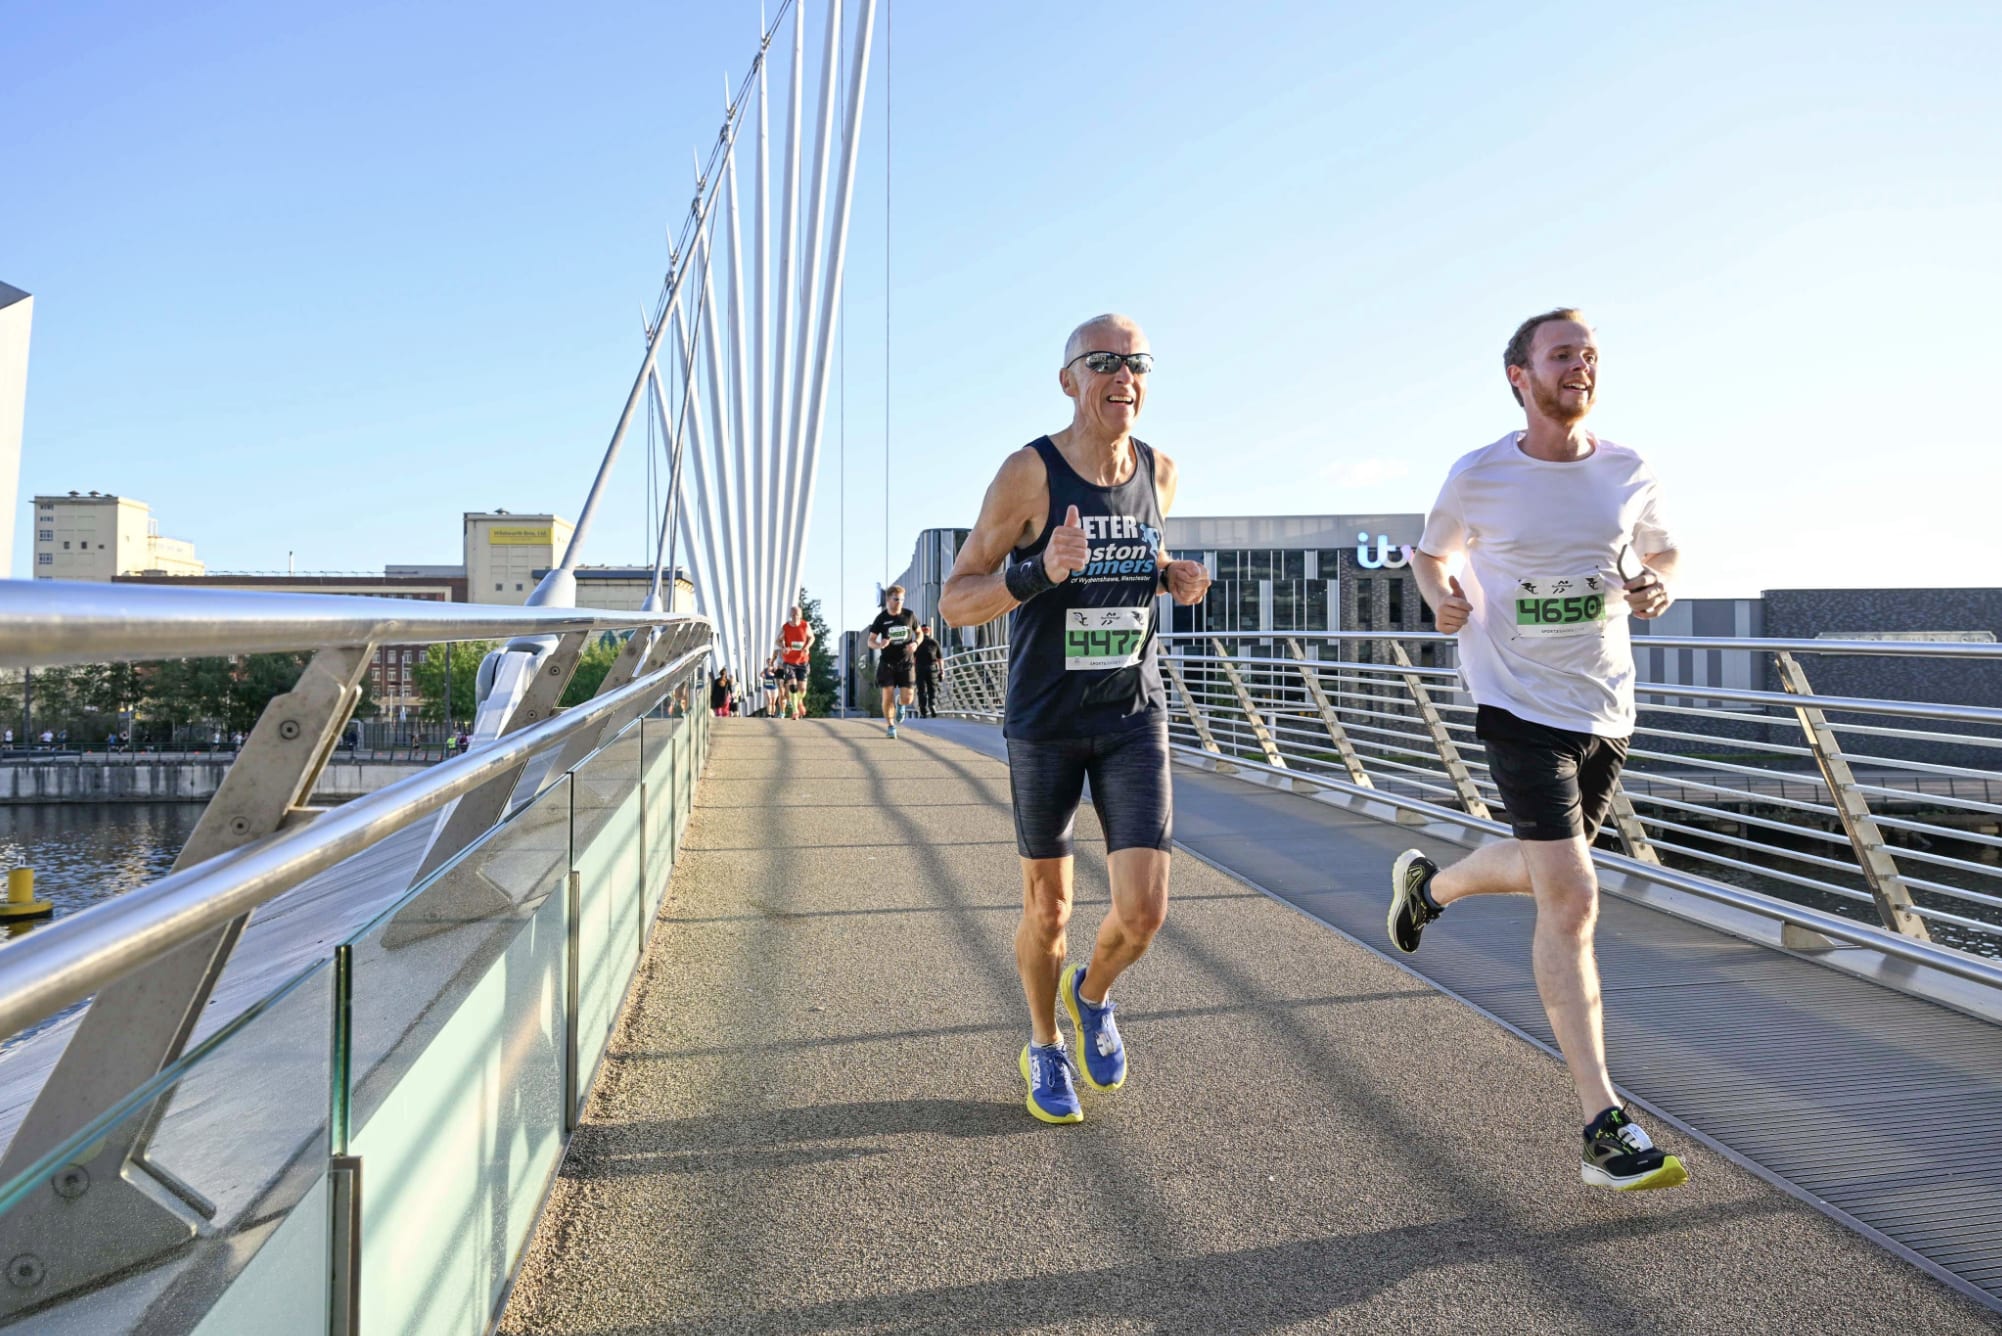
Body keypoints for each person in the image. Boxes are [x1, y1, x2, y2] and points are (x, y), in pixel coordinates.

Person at [1390, 307, 1686, 1191]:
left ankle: (1429, 887)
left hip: (1605, 708)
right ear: (1520, 375)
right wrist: (1442, 596)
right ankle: (1603, 1125)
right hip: (1515, 703)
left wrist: (1658, 585)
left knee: (1545, 866)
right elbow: (1430, 554)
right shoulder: (1480, 474)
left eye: (1589, 356)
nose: (1580, 367)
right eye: (1563, 355)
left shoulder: (1629, 469)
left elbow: (1665, 549)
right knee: (1572, 897)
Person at [939, 313, 1209, 1125]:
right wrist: (1036, 572)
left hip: (1133, 713)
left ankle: (1092, 993)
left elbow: (1137, 563)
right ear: (1069, 381)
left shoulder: (1161, 471)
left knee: (1144, 911)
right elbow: (956, 600)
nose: (1123, 375)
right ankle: (1044, 1043)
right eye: (1103, 362)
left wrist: (1173, 578)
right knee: (1048, 909)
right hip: (1047, 720)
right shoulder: (1030, 474)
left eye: (1137, 363)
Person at [866, 586, 920, 739]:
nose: (899, 602)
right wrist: (879, 645)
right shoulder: (881, 618)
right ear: (888, 600)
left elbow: (919, 633)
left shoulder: (909, 615)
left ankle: (901, 704)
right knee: (887, 693)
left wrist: (916, 644)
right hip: (887, 663)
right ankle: (890, 726)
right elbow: (870, 641)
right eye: (896, 599)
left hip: (906, 662)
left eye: (902, 599)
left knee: (908, 697)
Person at [779, 605, 814, 720]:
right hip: (789, 661)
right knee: (793, 687)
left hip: (803, 661)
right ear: (790, 615)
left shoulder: (805, 625)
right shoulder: (785, 627)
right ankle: (795, 711)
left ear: (801, 615)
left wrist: (807, 647)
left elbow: (812, 638)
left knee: (802, 689)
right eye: (793, 615)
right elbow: (778, 640)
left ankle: (799, 701)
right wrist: (783, 647)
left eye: (797, 615)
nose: (795, 617)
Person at [913, 623, 944, 718]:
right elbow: (940, 658)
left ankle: (924, 710)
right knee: (932, 688)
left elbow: (912, 659)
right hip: (931, 667)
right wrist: (942, 671)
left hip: (920, 667)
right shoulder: (934, 642)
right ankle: (931, 705)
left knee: (922, 689)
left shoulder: (916, 643)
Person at [760, 654, 781, 719]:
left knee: (773, 702)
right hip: (767, 686)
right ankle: (769, 714)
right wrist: (763, 676)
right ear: (767, 663)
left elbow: (779, 675)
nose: (769, 662)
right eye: (768, 661)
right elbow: (761, 674)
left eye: (770, 661)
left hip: (774, 687)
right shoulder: (765, 669)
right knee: (769, 700)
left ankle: (772, 714)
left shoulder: (775, 669)